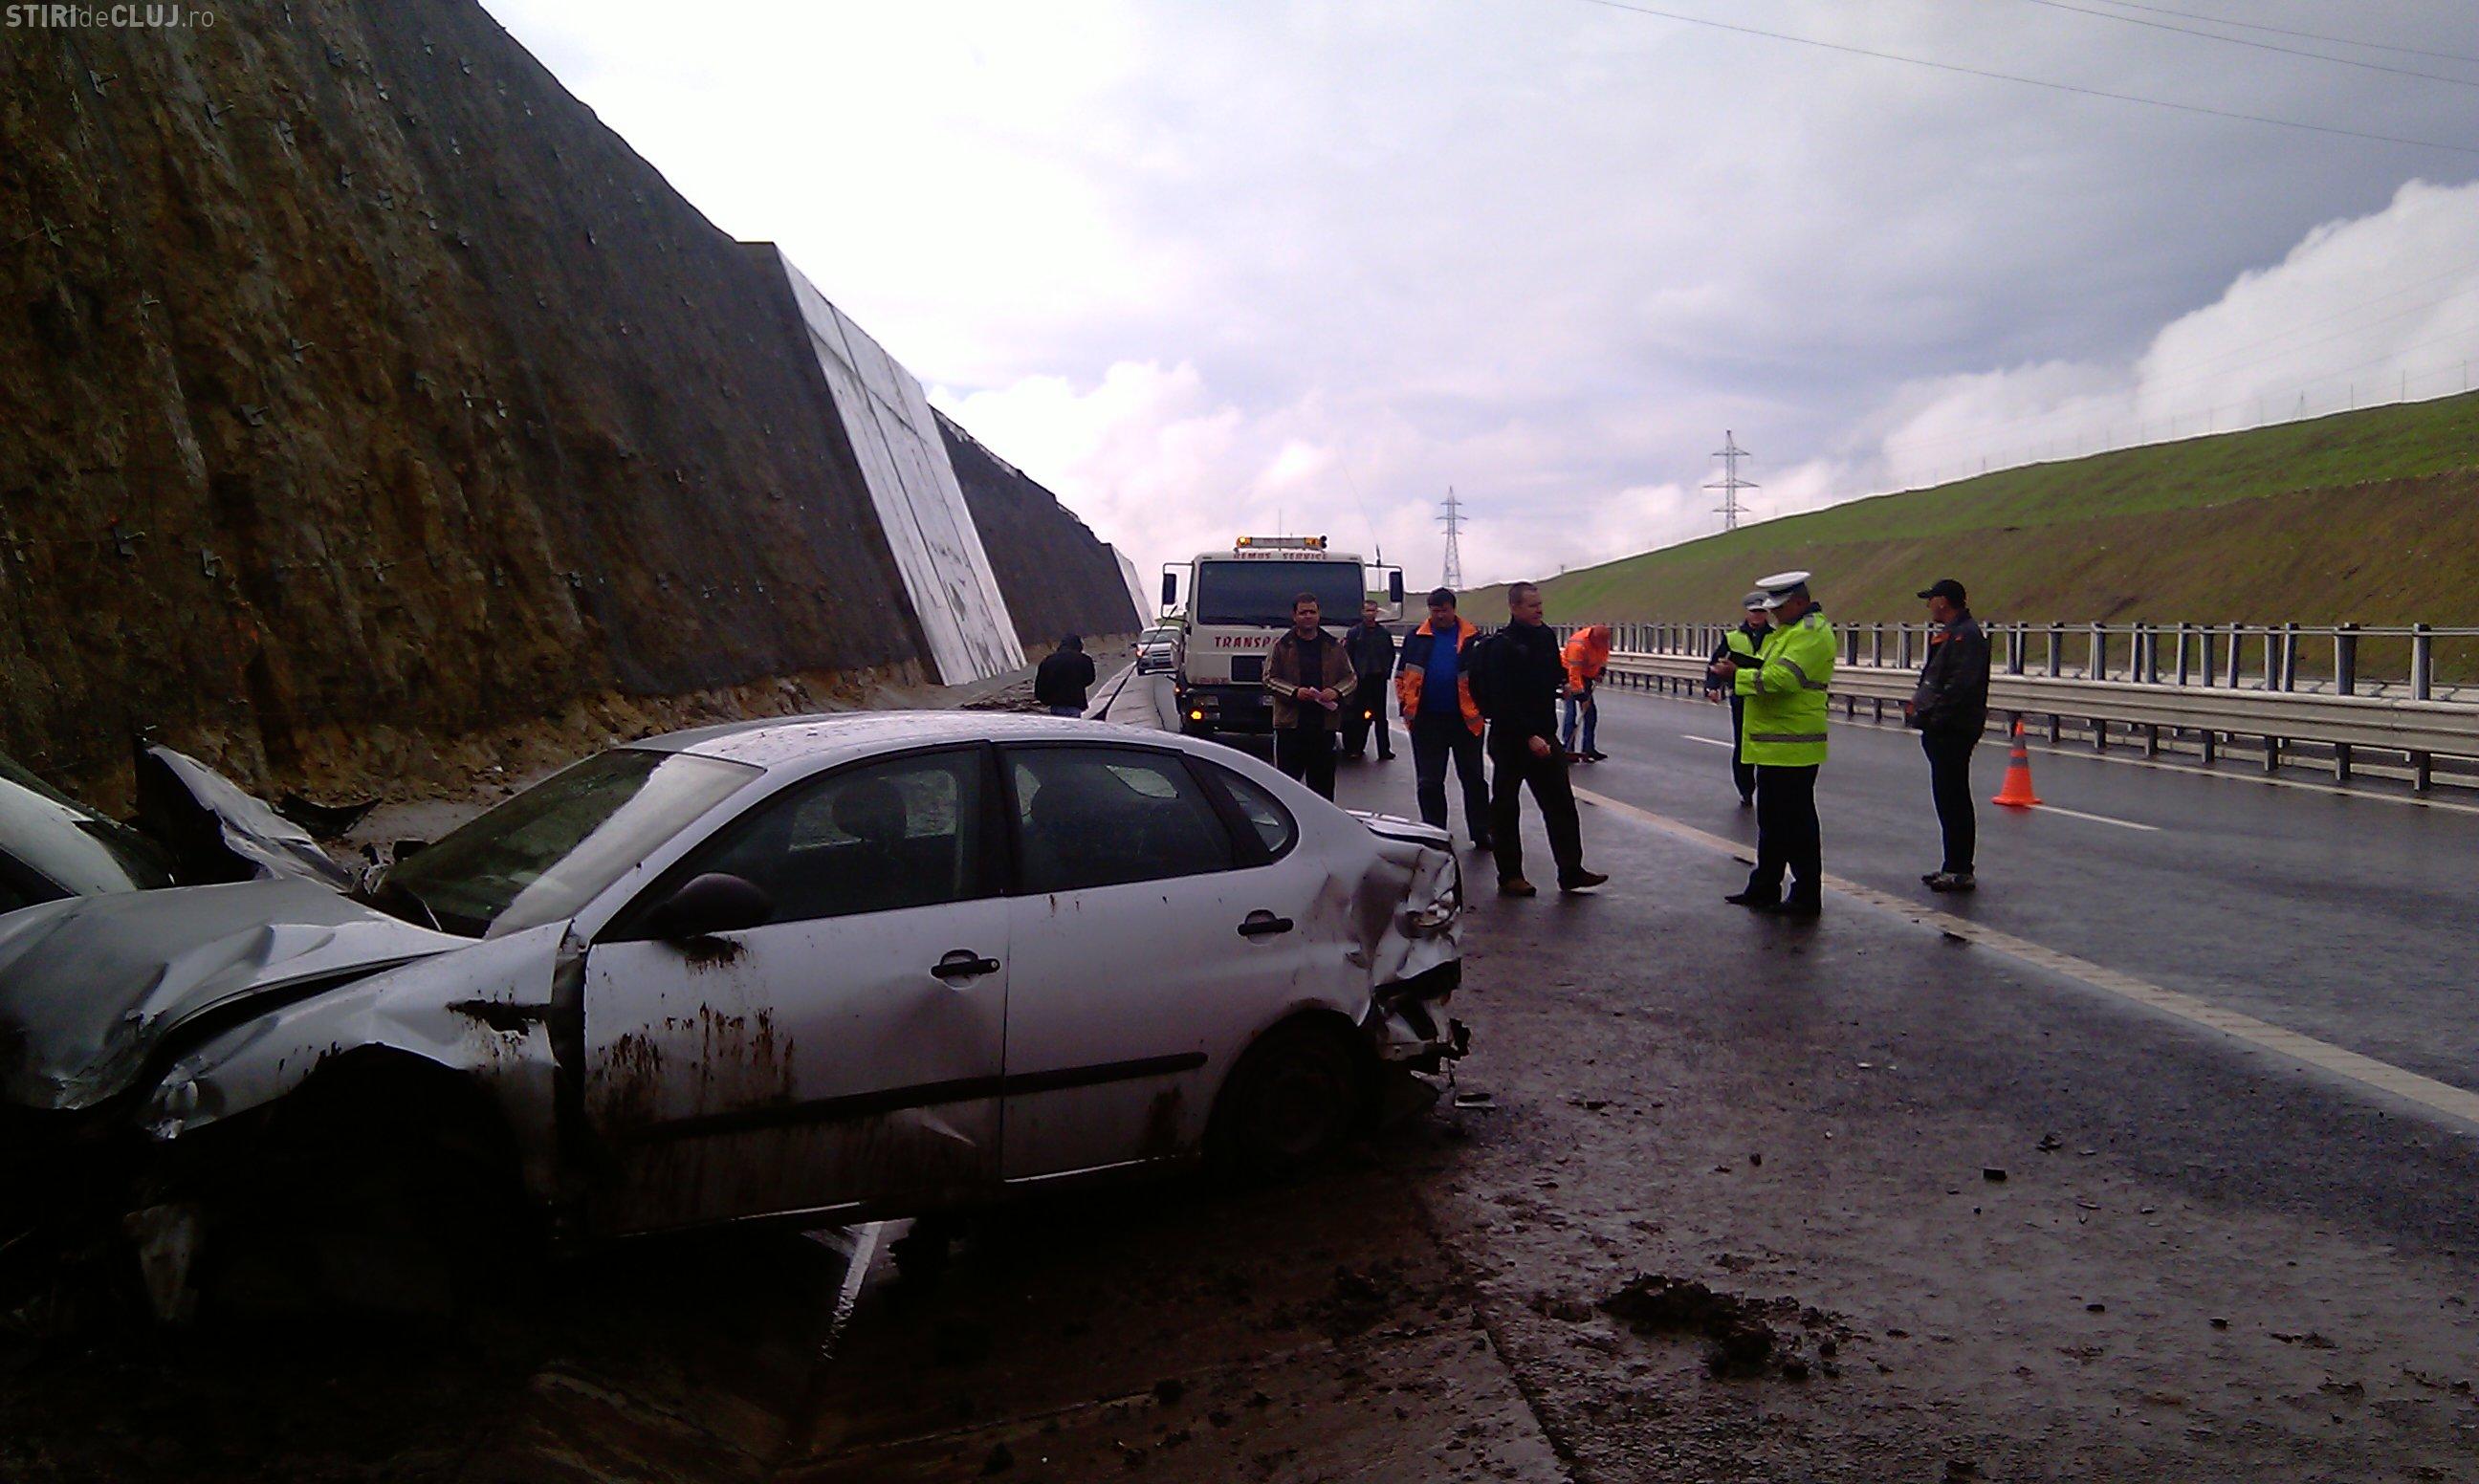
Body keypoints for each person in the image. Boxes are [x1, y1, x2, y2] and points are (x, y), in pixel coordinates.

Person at [1714, 571, 1832, 917]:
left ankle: (1805, 895)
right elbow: (1771, 668)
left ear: (1798, 602)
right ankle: (1765, 885)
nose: (1774, 614)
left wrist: (1738, 675)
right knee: (1773, 823)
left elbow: (1784, 678)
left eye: (1779, 607)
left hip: (1793, 745)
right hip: (1776, 745)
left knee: (1796, 826)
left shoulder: (1810, 634)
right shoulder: (1790, 631)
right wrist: (1748, 668)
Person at [1479, 582, 1608, 898]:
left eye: (1540, 604)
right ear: (1514, 608)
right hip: (1511, 738)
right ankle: (1510, 875)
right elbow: (1501, 699)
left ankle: (1571, 870)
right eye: (1531, 605)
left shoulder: (1545, 637)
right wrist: (1528, 736)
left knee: (1561, 804)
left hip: (1545, 735)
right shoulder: (1502, 646)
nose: (1539, 609)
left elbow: (1550, 676)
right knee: (1507, 808)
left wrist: (1563, 686)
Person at [1906, 578, 1992, 893]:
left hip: (1953, 729)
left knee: (1953, 797)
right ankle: (1951, 864)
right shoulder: (1952, 634)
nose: (1929, 605)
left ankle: (1959, 869)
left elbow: (1960, 687)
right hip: (1945, 727)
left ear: (1944, 601)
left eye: (1931, 599)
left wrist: (1935, 718)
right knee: (1947, 796)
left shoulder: (1965, 636)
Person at [1395, 587, 1491, 849]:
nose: (1439, 616)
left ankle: (1481, 831)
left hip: (1466, 720)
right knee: (1429, 781)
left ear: (1453, 609)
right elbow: (1402, 676)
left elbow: (1485, 677)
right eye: (1434, 611)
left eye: (1444, 610)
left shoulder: (1472, 639)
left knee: (1473, 779)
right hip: (1427, 721)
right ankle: (1434, 832)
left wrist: (1483, 707)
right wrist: (1406, 705)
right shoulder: (1417, 638)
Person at [1264, 592, 1354, 800]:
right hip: (1290, 728)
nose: (1308, 616)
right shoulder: (1281, 645)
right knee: (1287, 789)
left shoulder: (1333, 646)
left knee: (1322, 790)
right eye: (1303, 612)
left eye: (1312, 612)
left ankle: (1323, 829)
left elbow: (1351, 678)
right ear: (1294, 616)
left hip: (1323, 728)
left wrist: (1337, 691)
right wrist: (1294, 692)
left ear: (1319, 614)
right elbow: (1268, 679)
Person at [1704, 594, 1771, 806]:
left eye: (1761, 612)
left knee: (1767, 746)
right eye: (1754, 612)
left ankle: (1766, 788)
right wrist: (1713, 686)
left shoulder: (1777, 636)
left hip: (1767, 697)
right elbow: (1717, 663)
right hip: (1741, 696)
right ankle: (1745, 789)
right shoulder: (1732, 637)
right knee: (1743, 746)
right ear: (1747, 613)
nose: (1758, 615)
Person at [1342, 600, 1398, 762]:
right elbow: (1348, 656)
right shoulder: (1354, 633)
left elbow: (1390, 654)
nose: (1370, 614)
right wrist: (1352, 676)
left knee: (1381, 717)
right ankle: (1357, 748)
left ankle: (1384, 750)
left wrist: (1386, 672)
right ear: (1362, 612)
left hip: (1378, 679)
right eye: (1367, 610)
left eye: (1373, 610)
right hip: (1361, 680)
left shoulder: (1383, 634)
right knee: (1359, 716)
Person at [1559, 624, 1613, 761]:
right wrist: (1582, 697)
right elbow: (1574, 674)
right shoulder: (1578, 645)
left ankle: (1588, 749)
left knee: (1591, 714)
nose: (1604, 645)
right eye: (1600, 642)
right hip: (1568, 673)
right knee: (1572, 713)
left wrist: (1601, 671)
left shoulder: (1602, 642)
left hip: (1587, 675)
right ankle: (1568, 748)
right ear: (1593, 638)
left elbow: (1603, 657)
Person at [1034, 633, 1095, 717]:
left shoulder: (1048, 660)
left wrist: (1044, 699)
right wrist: (1077, 685)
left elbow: (1041, 683)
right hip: (1075, 702)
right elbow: (1090, 679)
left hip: (1055, 703)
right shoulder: (1084, 659)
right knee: (1074, 727)